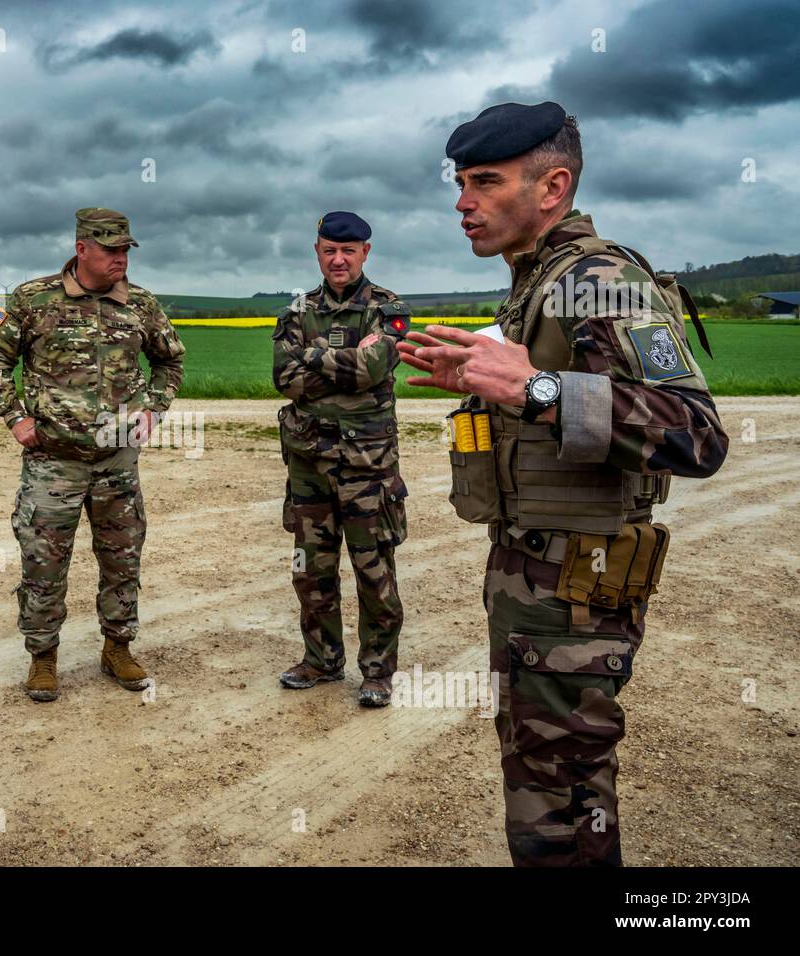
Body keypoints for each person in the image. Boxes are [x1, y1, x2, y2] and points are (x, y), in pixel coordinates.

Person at [398, 101, 728, 865]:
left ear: (552, 188)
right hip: (539, 585)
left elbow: (696, 433)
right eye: (459, 182)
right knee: (545, 787)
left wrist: (536, 391)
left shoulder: (597, 280)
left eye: (485, 181)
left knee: (562, 811)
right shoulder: (540, 281)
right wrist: (491, 382)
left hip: (577, 598)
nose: (462, 202)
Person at [0, 208, 185, 702]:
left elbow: (169, 360)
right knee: (43, 562)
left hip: (118, 462)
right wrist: (15, 418)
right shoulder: (32, 299)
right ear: (81, 248)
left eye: (125, 250)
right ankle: (43, 656)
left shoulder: (141, 305)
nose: (120, 259)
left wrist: (153, 408)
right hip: (53, 461)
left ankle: (118, 647)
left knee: (122, 560)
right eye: (110, 250)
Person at [272, 211, 411, 706]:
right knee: (311, 569)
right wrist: (342, 362)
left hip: (367, 468)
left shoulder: (388, 307)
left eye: (348, 251)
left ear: (365, 253)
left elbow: (372, 372)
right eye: (330, 250)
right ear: (317, 251)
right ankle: (321, 660)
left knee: (374, 573)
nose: (338, 259)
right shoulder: (298, 309)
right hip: (308, 463)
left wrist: (312, 356)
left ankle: (377, 672)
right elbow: (285, 379)